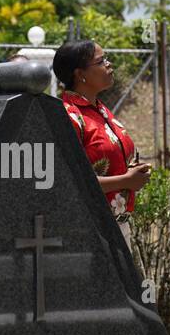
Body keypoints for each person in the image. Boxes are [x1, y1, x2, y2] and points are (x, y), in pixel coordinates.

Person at [52, 39, 151, 241]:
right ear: (80, 74)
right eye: (100, 61)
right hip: (89, 232)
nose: (109, 64)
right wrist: (126, 180)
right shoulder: (68, 116)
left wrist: (132, 169)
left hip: (117, 225)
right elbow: (70, 181)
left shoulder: (100, 109)